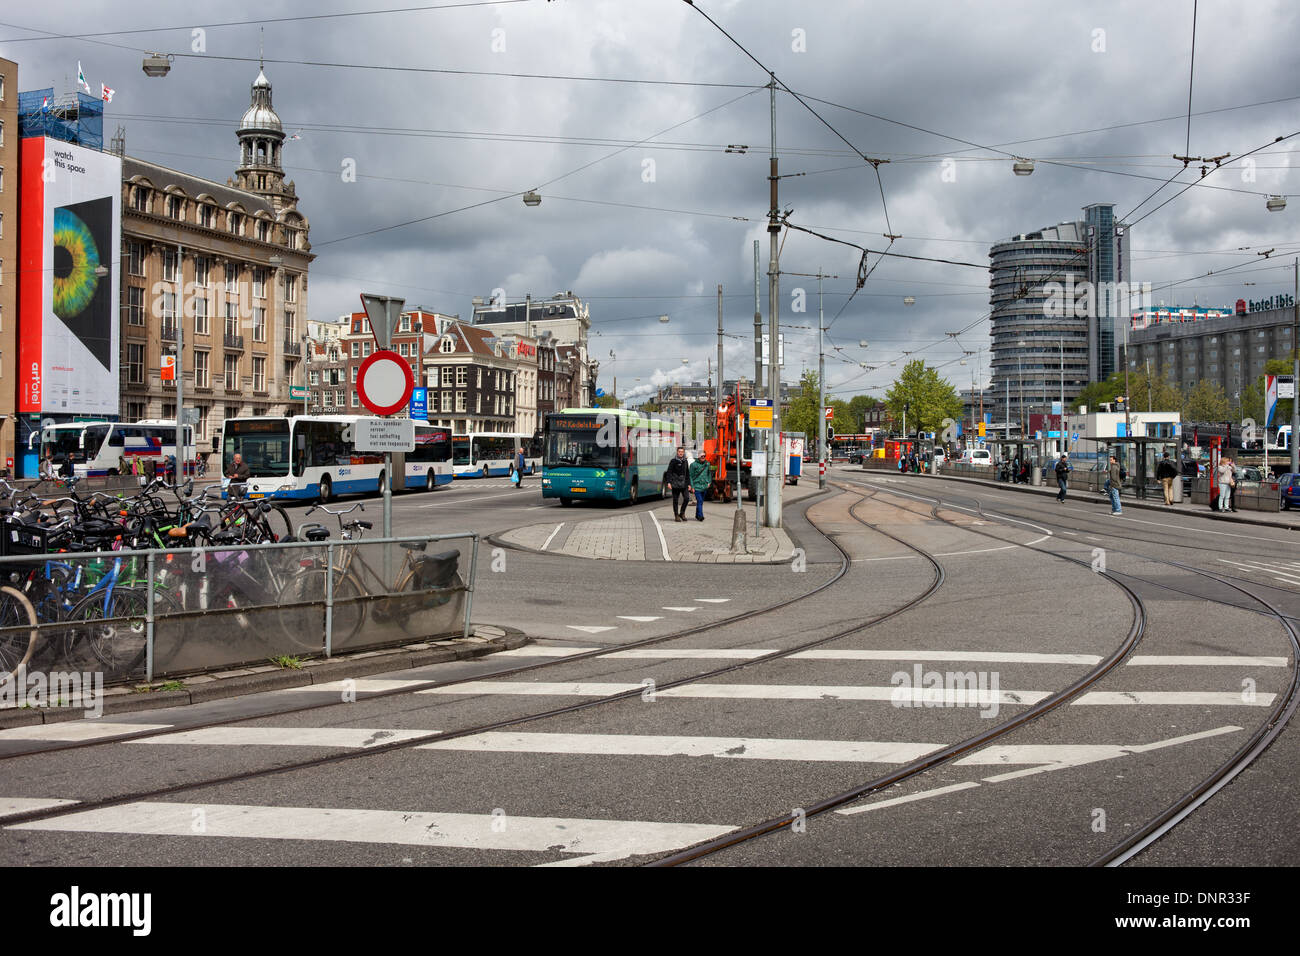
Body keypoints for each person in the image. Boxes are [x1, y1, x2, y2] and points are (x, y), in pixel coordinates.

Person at [665, 446, 690, 521]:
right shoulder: (673, 461)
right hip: (675, 484)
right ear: (677, 452)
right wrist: (669, 482)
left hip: (684, 484)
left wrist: (689, 484)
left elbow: (687, 473)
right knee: (675, 500)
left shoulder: (685, 461)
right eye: (679, 452)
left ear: (684, 452)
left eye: (682, 452)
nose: (681, 453)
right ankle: (676, 515)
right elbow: (669, 472)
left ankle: (682, 513)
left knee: (686, 498)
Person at [688, 453, 712, 522]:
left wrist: (709, 482)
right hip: (697, 486)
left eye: (704, 456)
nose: (703, 457)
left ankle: (697, 515)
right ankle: (701, 516)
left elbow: (709, 473)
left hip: (704, 486)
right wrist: (692, 486)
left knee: (700, 502)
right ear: (698, 457)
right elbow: (691, 476)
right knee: (700, 501)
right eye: (702, 456)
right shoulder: (693, 465)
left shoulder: (707, 464)